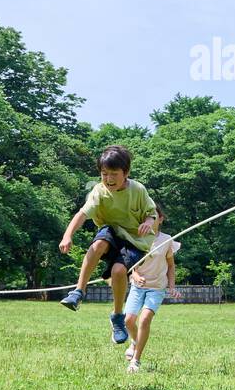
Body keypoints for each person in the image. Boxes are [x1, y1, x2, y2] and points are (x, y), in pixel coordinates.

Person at [58, 145, 158, 345]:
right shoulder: (99, 191)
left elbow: (152, 213)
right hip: (112, 230)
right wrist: (67, 235)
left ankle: (118, 316)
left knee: (119, 271)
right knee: (98, 244)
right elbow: (82, 214)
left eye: (114, 174)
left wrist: (147, 223)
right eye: (104, 174)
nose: (109, 179)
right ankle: (78, 291)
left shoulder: (137, 189)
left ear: (126, 173)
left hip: (135, 240)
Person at [122, 205, 182, 372]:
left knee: (145, 319)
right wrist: (134, 275)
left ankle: (136, 360)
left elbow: (171, 265)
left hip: (156, 288)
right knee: (128, 320)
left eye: (154, 216)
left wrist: (171, 286)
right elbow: (131, 263)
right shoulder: (137, 237)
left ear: (160, 219)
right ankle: (134, 342)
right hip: (137, 286)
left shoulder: (167, 240)